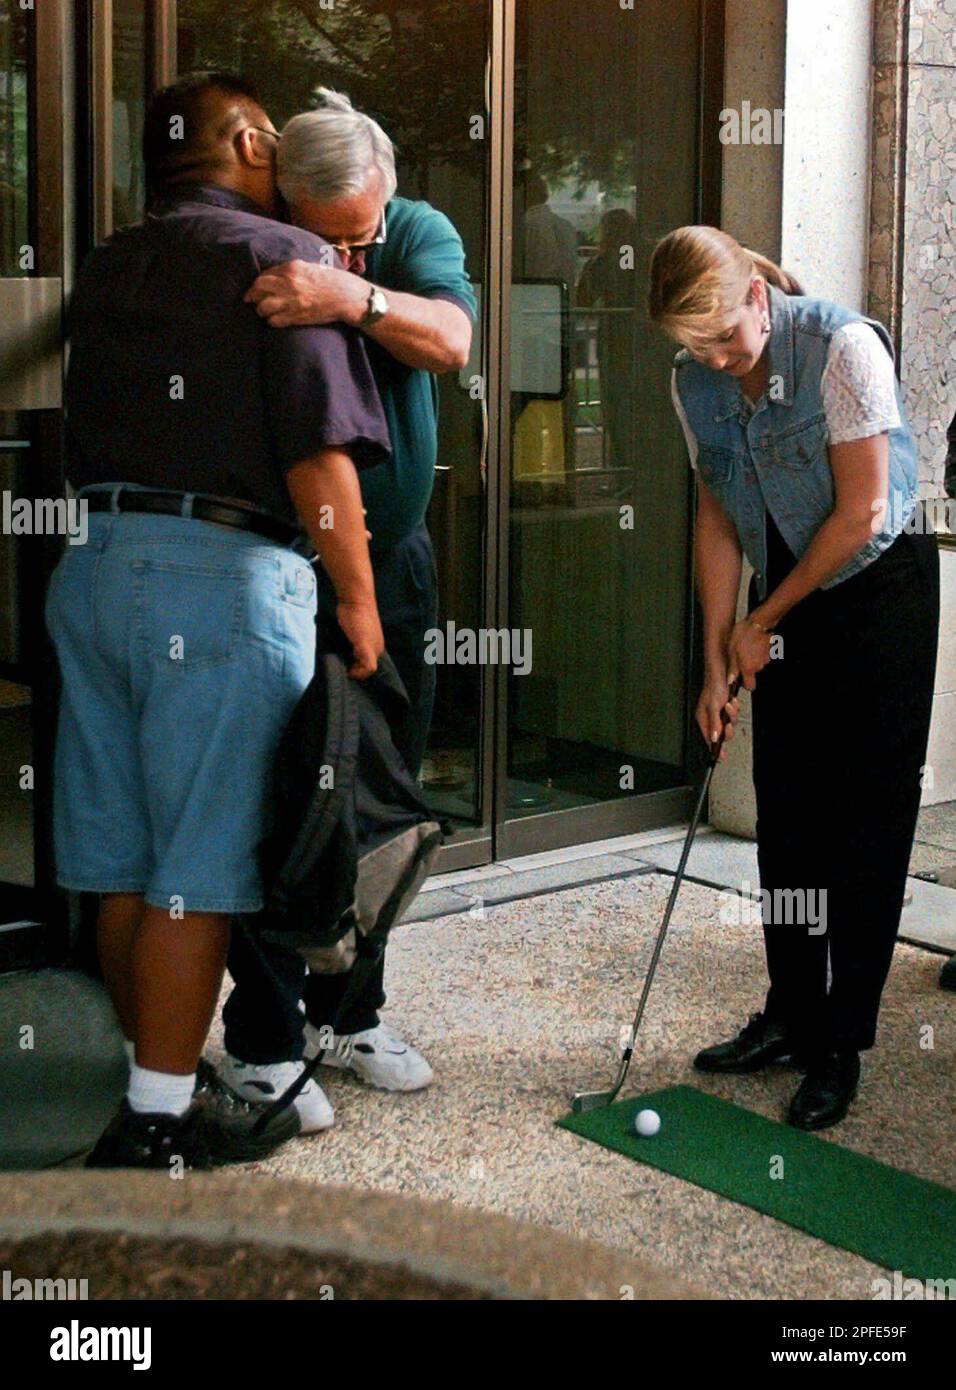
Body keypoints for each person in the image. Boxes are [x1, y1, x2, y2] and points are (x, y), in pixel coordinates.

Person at [49, 73, 391, 1167]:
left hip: (91, 568)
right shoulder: (271, 261)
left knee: (122, 856)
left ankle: (150, 1074)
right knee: (197, 866)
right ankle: (157, 1121)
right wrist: (357, 597)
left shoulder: (108, 262)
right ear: (247, 139)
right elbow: (314, 456)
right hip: (218, 574)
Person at [219, 89, 476, 1127]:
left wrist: (351, 296)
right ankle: (266, 1039)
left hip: (396, 562)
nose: (345, 248)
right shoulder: (252, 245)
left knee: (379, 791)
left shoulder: (412, 229)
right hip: (273, 562)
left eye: (359, 232)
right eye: (326, 238)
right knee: (275, 796)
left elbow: (453, 340)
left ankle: (353, 1011)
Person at [649, 225, 939, 1130]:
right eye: (698, 348)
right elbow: (718, 516)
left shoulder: (843, 347)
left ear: (757, 298)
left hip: (875, 587)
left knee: (867, 820)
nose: (721, 361)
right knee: (789, 808)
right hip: (782, 585)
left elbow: (859, 515)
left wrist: (762, 622)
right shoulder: (692, 380)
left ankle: (841, 1044)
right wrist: (713, 656)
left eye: (730, 339)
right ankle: (788, 1013)